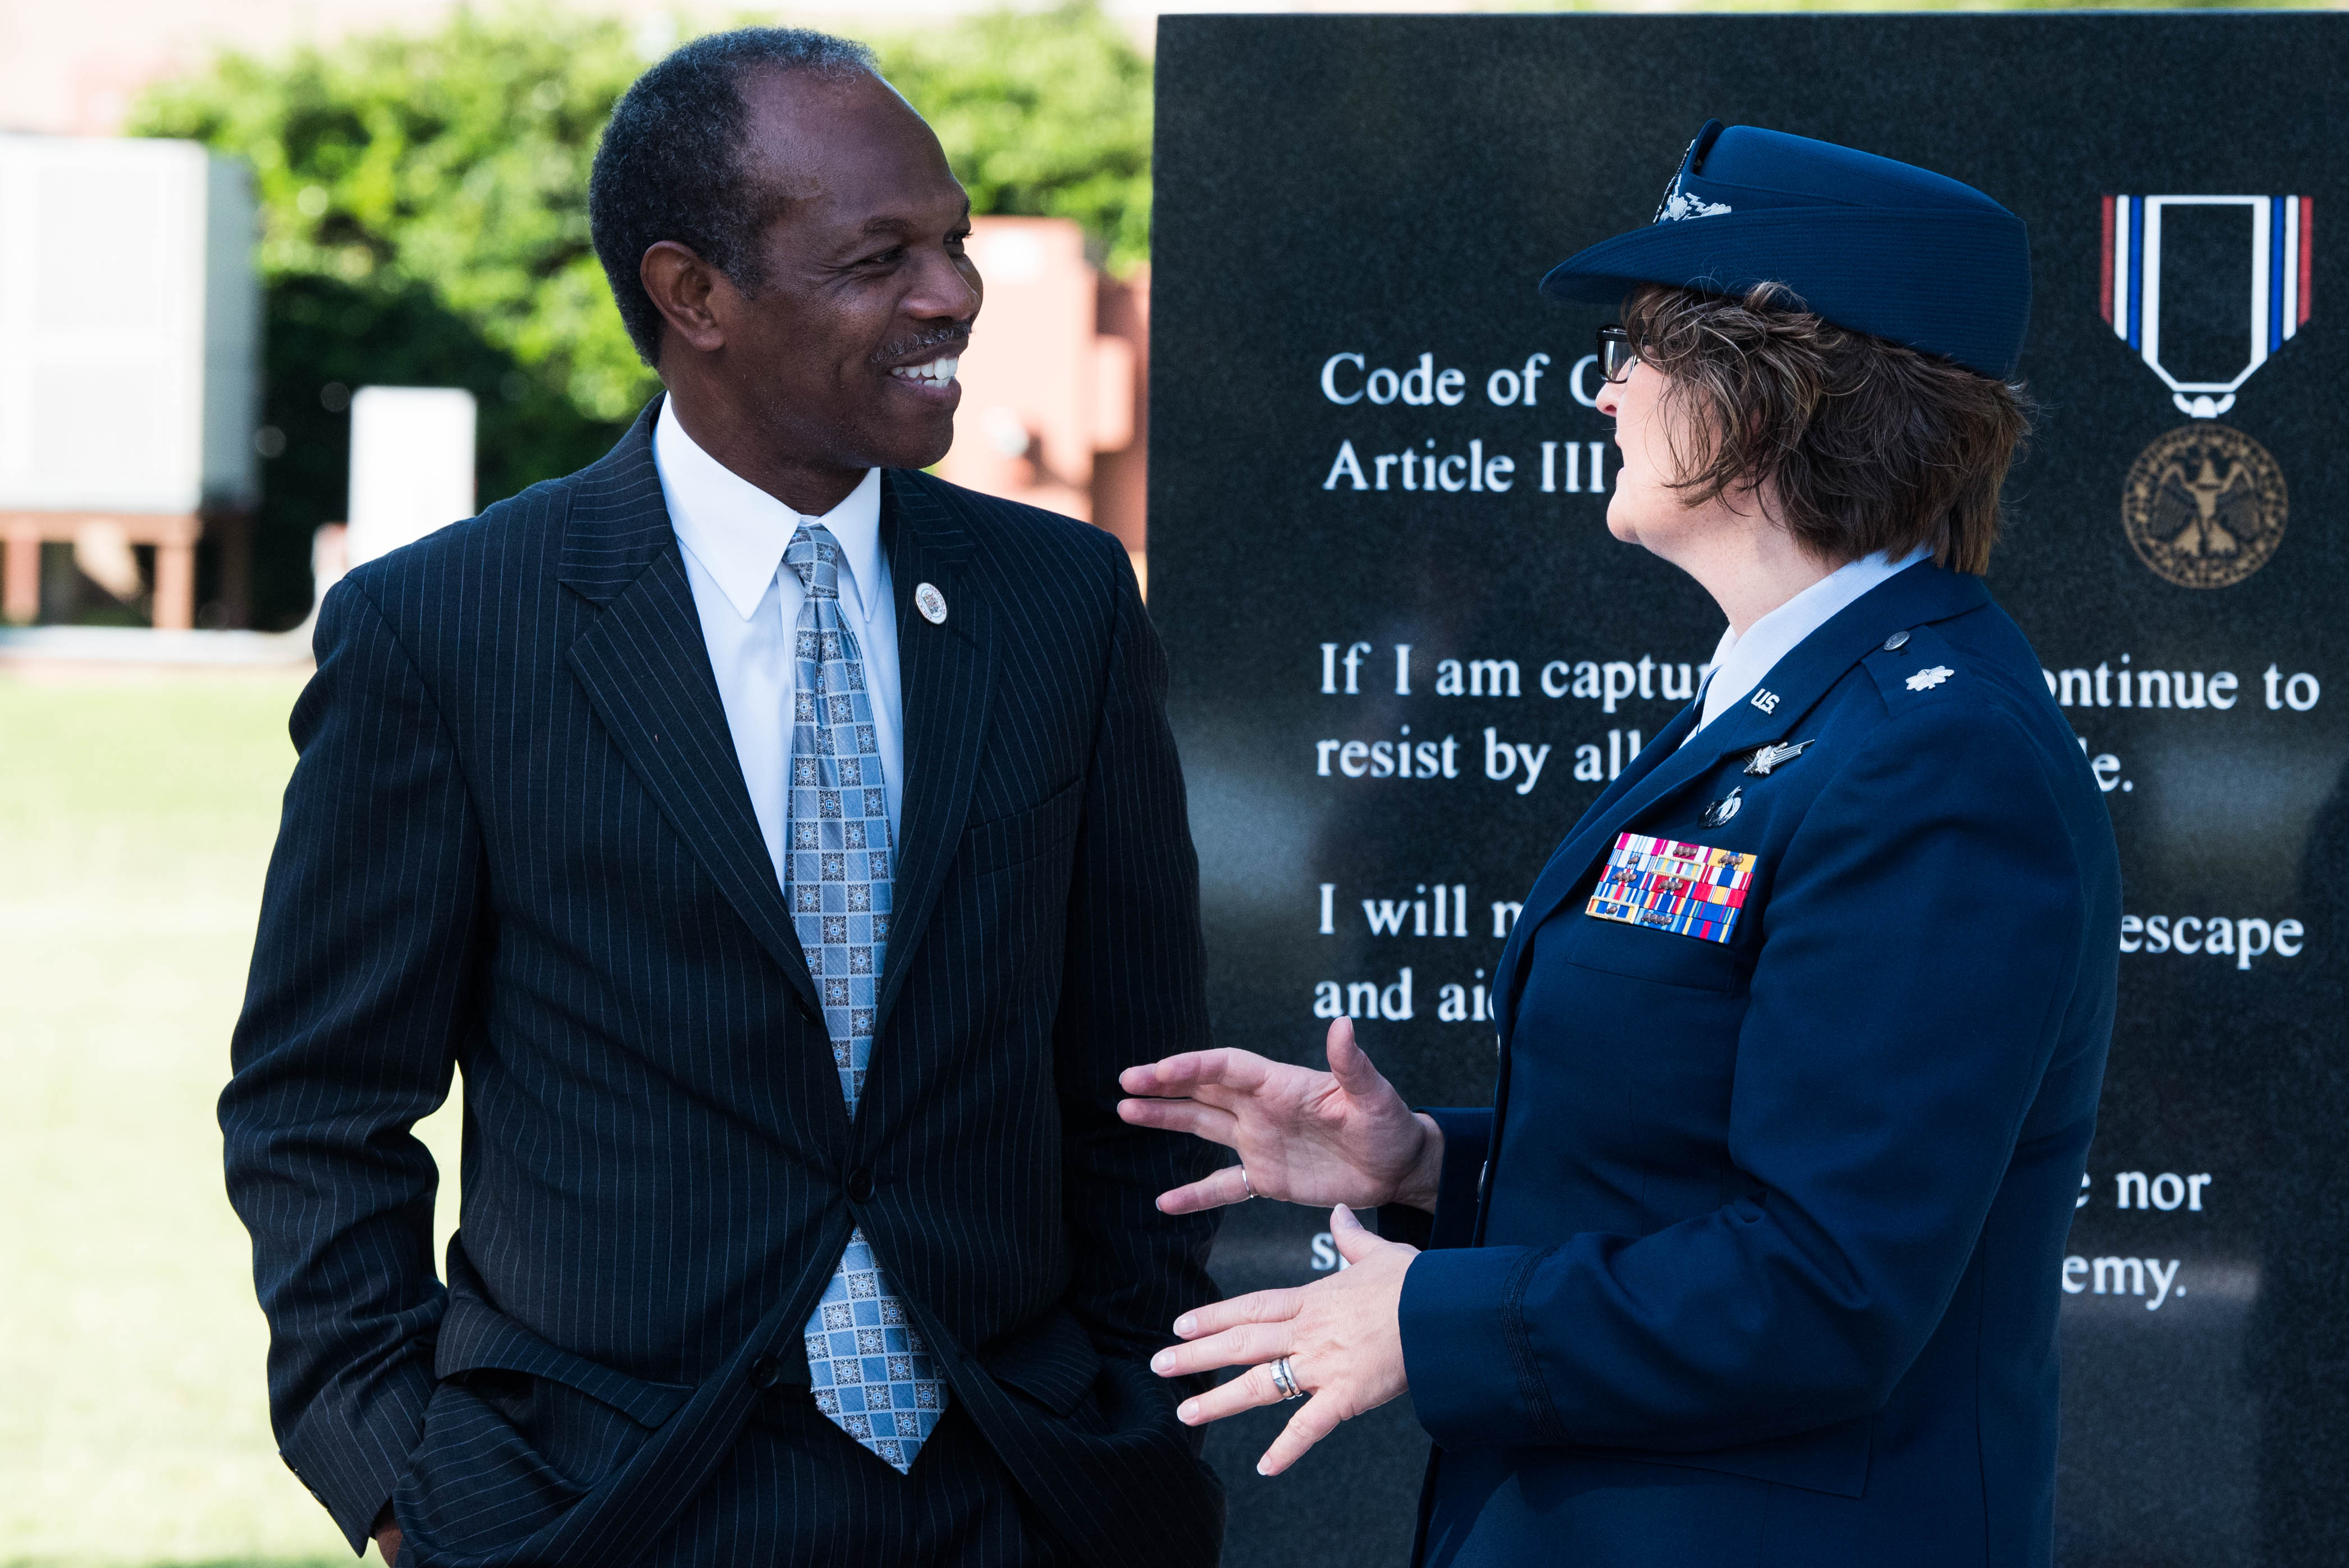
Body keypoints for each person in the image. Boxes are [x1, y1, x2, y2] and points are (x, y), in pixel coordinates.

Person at [221, 29, 1223, 1568]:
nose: (952, 292)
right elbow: (318, 1108)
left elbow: (1137, 1072)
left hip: (1016, 1491)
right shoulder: (450, 629)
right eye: (879, 255)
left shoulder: (1062, 602)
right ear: (693, 295)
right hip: (597, 1503)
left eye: (952, 241)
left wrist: (1120, 1420)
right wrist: (401, 1480)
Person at [1119, 122, 2120, 1566]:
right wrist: (1418, 1166)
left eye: (1640, 351)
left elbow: (1829, 1283)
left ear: (1763, 400)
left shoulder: (1931, 755)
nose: (1603, 395)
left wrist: (1424, 1318)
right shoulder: (1800, 694)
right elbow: (1697, 1161)